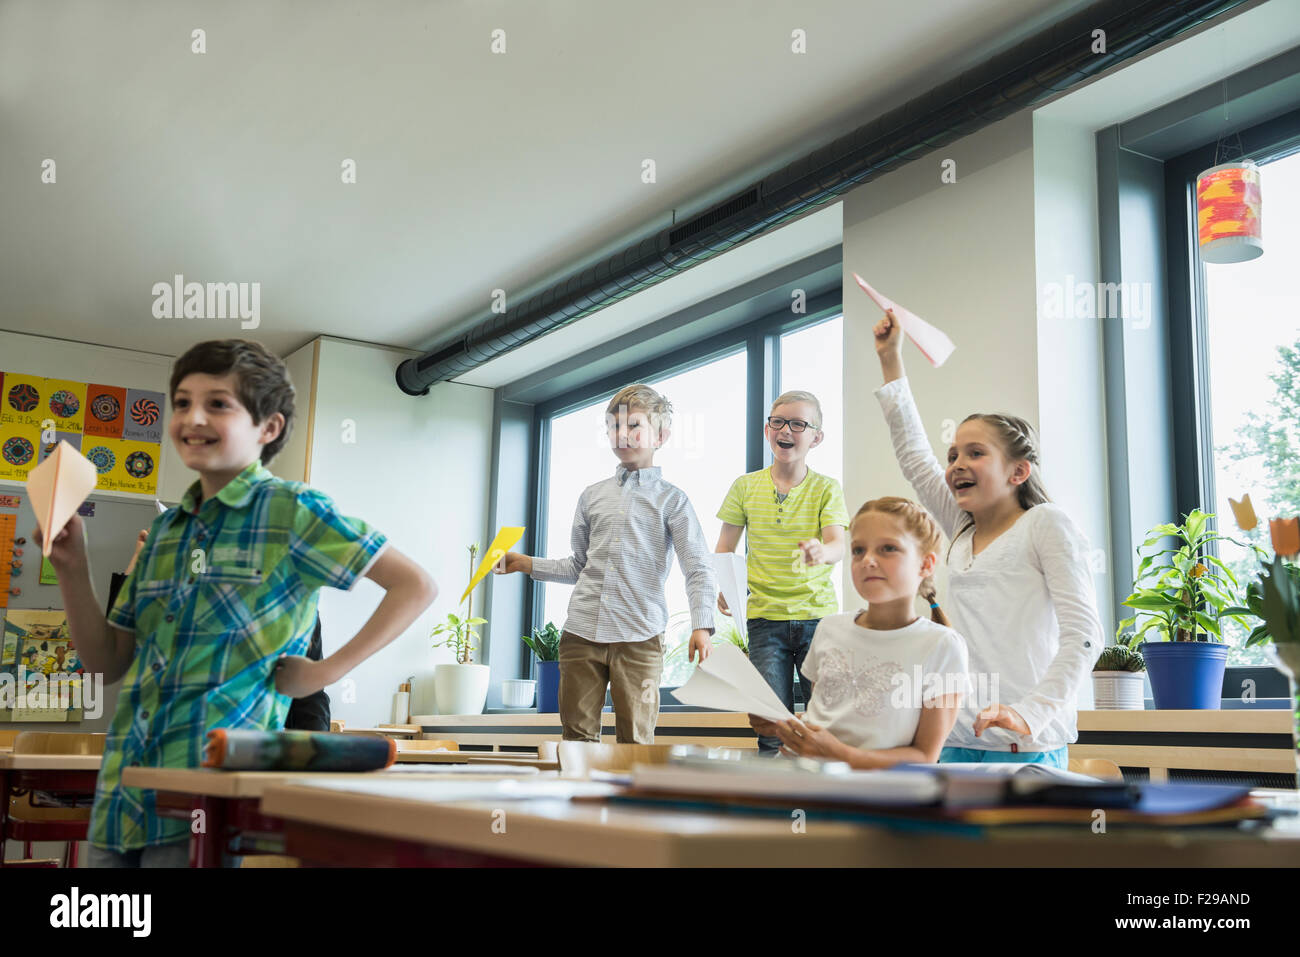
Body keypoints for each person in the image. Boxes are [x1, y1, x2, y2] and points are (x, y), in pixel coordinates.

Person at [41, 338, 437, 866]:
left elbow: (415, 585)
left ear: (268, 427)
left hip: (209, 799)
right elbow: (107, 660)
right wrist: (72, 566)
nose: (192, 416)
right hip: (122, 793)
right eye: (182, 402)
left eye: (217, 403)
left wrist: (325, 672)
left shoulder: (294, 511)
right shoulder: (163, 533)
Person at [871, 309, 1103, 766]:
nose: (956, 463)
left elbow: (1085, 635)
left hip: (1025, 742)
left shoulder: (1045, 524)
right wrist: (890, 358)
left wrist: (1028, 712)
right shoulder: (960, 528)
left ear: (1018, 471)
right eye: (953, 453)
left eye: (975, 453)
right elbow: (915, 456)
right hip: (954, 737)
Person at [495, 383, 715, 744]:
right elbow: (578, 566)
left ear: (661, 435)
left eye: (633, 426)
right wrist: (525, 563)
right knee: (577, 740)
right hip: (581, 634)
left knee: (636, 742)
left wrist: (702, 626)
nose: (622, 434)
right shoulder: (591, 496)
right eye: (614, 426)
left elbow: (698, 568)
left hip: (639, 637)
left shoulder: (673, 501)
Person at [750, 497, 969, 768]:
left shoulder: (943, 646)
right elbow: (824, 719)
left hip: (873, 800)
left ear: (925, 565)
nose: (868, 560)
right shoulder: (829, 628)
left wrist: (840, 756)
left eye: (888, 548)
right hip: (802, 786)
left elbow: (925, 756)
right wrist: (783, 725)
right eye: (858, 550)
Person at [715, 390, 848, 753]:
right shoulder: (745, 486)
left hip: (817, 619)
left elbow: (839, 544)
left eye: (798, 424)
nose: (785, 430)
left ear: (816, 437)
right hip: (764, 621)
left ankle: (820, 799)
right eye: (778, 422)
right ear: (767, 430)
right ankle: (774, 801)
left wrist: (823, 551)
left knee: (823, 723)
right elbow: (724, 548)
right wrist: (726, 585)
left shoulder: (826, 488)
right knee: (770, 723)